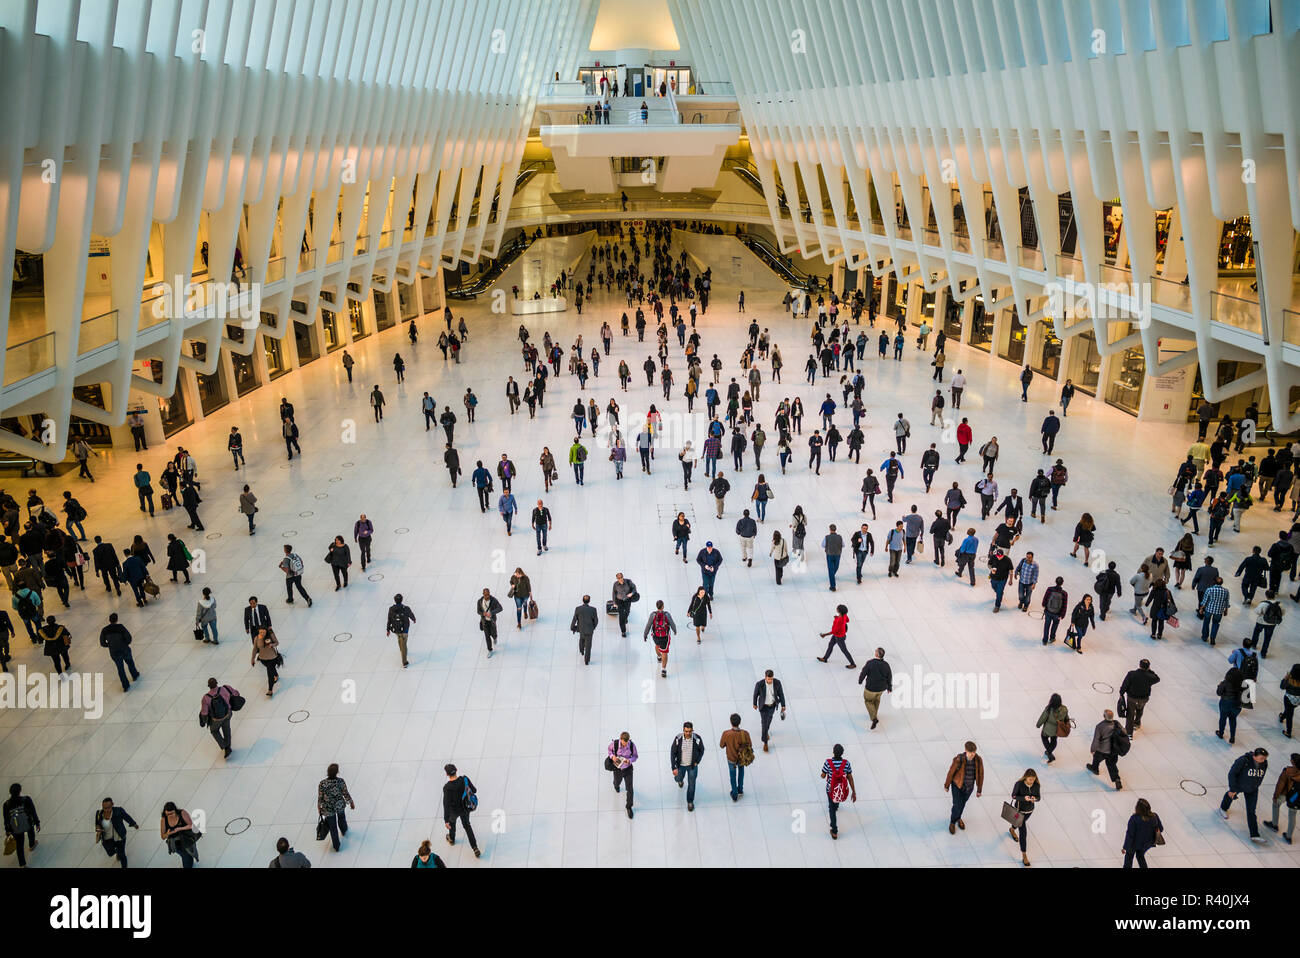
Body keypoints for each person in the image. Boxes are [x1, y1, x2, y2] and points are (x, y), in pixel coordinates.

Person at [1219, 747, 1270, 844]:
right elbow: (1232, 773)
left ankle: (1254, 835)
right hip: (1239, 784)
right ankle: (1223, 808)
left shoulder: (1264, 763)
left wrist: (1257, 785)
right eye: (1261, 758)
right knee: (1230, 795)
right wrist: (1233, 788)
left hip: (1253, 789)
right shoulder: (1243, 760)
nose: (1263, 761)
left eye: (1264, 759)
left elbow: (1261, 775)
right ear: (1254, 756)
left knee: (1251, 811)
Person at [943, 741, 983, 834]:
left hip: (969, 788)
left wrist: (979, 789)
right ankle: (953, 822)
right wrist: (947, 785)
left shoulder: (978, 760)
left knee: (962, 804)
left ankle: (958, 817)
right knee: (957, 805)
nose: (972, 754)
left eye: (974, 752)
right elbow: (951, 772)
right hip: (958, 786)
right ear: (966, 751)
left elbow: (981, 774)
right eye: (970, 752)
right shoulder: (959, 759)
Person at [442, 764, 481, 857]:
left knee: (452, 825)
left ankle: (451, 839)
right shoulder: (464, 779)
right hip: (465, 808)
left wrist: (446, 820)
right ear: (456, 770)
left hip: (453, 811)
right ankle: (475, 848)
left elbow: (446, 804)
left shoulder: (447, 788)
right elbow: (474, 790)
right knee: (467, 826)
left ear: (447, 775)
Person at [820, 744, 856, 840]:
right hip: (841, 789)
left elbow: (823, 775)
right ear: (842, 753)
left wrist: (824, 774)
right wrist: (854, 791)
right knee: (838, 795)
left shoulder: (828, 763)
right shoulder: (846, 763)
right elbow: (850, 778)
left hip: (830, 790)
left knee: (831, 808)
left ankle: (834, 830)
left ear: (833, 752)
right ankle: (837, 805)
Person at [317, 763, 356, 852]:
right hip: (339, 805)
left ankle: (336, 846)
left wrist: (319, 806)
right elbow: (345, 793)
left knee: (332, 827)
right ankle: (344, 830)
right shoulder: (340, 781)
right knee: (342, 818)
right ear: (337, 772)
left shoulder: (322, 783)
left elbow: (320, 797)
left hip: (328, 808)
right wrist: (351, 802)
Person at [1263, 752, 1300, 844]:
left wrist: (1275, 796)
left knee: (1276, 805)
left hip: (1285, 793)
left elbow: (1280, 785)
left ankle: (1274, 824)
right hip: (1295, 797)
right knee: (1292, 816)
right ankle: (1288, 836)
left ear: (1292, 762)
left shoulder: (1287, 771)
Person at [1086, 709, 1127, 791]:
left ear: (1104, 716)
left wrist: (1093, 749)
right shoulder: (1117, 724)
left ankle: (1095, 768)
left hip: (1102, 749)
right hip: (1113, 750)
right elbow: (1124, 732)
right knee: (1112, 765)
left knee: (1096, 758)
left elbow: (1096, 739)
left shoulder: (1100, 726)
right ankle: (1117, 780)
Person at [99, 613, 141, 691]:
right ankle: (134, 675)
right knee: (130, 662)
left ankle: (125, 686)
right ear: (117, 619)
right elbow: (129, 638)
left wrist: (109, 645)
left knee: (120, 668)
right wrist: (125, 643)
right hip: (124, 649)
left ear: (109, 620)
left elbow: (102, 643)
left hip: (114, 652)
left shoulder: (105, 630)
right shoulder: (121, 627)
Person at [93, 797, 139, 868]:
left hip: (119, 837)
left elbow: (127, 817)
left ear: (112, 805)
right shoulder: (99, 813)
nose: (106, 810)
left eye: (108, 808)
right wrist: (98, 828)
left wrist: (134, 824)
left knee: (122, 855)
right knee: (110, 853)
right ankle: (117, 852)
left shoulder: (119, 811)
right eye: (104, 808)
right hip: (107, 839)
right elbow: (97, 823)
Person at [670, 722, 706, 812]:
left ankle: (690, 801)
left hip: (692, 766)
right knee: (678, 778)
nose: (688, 733)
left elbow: (702, 750)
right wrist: (674, 767)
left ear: (692, 730)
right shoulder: (678, 738)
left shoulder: (697, 738)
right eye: (686, 731)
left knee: (692, 784)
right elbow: (672, 752)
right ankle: (680, 781)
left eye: (690, 731)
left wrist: (697, 761)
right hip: (680, 765)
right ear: (683, 730)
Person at [200, 676, 239, 758]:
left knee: (214, 731)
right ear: (216, 683)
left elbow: (205, 712)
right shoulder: (225, 688)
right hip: (227, 714)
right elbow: (236, 693)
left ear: (209, 686)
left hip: (215, 719)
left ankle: (224, 746)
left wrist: (204, 721)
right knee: (226, 730)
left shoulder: (206, 698)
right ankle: (228, 748)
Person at [1007, 769, 1040, 866]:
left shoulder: (1036, 785)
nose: (1031, 782)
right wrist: (1023, 798)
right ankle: (1024, 854)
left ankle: (1012, 829)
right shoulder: (1019, 784)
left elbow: (1039, 797)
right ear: (1026, 777)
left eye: (1033, 780)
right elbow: (1013, 796)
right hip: (1020, 811)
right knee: (1023, 832)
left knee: (1017, 823)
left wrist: (1035, 799)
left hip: (1029, 811)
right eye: (1030, 780)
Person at [1119, 659, 1160, 736]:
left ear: (1139, 665)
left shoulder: (1131, 674)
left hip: (1132, 698)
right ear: (1148, 667)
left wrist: (1121, 693)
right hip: (1144, 698)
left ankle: (1129, 733)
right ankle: (1137, 723)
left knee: (1130, 714)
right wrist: (1150, 671)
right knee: (1140, 710)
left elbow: (1125, 684)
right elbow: (1157, 678)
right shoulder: (1150, 677)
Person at [719, 714, 754, 802]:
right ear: (740, 722)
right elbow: (750, 744)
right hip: (742, 758)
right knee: (741, 772)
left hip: (731, 758)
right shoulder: (745, 733)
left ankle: (734, 794)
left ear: (731, 722)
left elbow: (721, 745)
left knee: (732, 775)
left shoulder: (726, 734)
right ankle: (740, 789)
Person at [4, 783, 40, 867]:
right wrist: (37, 823)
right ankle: (32, 845)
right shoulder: (26, 799)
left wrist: (8, 830)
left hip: (15, 827)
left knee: (19, 846)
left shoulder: (6, 804)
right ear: (20, 791)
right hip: (27, 822)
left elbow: (6, 819)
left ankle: (22, 864)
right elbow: (33, 812)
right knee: (30, 832)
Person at [1122, 798, 1165, 868]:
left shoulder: (1134, 818)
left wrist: (1125, 847)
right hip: (1147, 843)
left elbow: (1130, 834)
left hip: (1134, 844)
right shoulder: (1154, 816)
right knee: (1140, 856)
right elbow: (1161, 829)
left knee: (1129, 858)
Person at [858, 648, 892, 730]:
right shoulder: (886, 664)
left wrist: (860, 680)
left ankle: (874, 719)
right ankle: (874, 715)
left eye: (876, 651)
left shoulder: (870, 663)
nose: (875, 652)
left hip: (870, 688)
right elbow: (889, 676)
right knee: (876, 700)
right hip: (881, 688)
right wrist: (889, 687)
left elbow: (864, 672)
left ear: (877, 654)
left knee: (868, 701)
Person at [607, 732, 637, 819]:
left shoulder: (632, 745)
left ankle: (629, 807)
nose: (625, 745)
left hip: (628, 769)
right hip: (617, 769)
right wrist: (612, 756)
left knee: (630, 789)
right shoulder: (615, 744)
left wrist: (630, 760)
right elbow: (609, 750)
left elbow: (635, 756)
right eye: (624, 743)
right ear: (620, 739)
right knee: (617, 782)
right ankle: (616, 785)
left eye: (626, 743)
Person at [159, 802, 198, 868]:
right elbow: (163, 836)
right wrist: (168, 834)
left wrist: (180, 828)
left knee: (188, 856)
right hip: (176, 844)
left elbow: (191, 825)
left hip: (187, 839)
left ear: (175, 810)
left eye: (172, 813)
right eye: (168, 814)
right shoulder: (163, 820)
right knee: (186, 856)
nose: (170, 816)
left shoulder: (182, 813)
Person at [817, 604, 856, 668]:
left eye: (837, 608)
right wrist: (837, 618)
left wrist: (824, 635)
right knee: (830, 645)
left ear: (839, 611)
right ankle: (825, 658)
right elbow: (847, 620)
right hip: (837, 635)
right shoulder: (844, 615)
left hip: (839, 637)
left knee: (844, 651)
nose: (836, 609)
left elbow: (834, 631)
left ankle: (853, 664)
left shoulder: (840, 621)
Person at [644, 599, 676, 676]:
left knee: (657, 646)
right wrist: (675, 630)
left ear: (657, 606)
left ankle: (659, 657)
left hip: (656, 636)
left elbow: (648, 625)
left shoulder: (653, 615)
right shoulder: (667, 614)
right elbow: (672, 623)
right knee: (664, 652)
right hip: (665, 636)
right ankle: (663, 670)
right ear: (663, 606)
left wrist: (645, 635)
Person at [386, 593, 418, 668]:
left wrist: (388, 629)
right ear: (402, 600)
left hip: (396, 629)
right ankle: (404, 662)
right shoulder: (406, 608)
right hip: (405, 629)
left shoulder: (391, 609)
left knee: (400, 640)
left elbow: (389, 619)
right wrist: (414, 619)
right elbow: (411, 615)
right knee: (404, 643)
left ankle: (402, 649)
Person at [1198, 577, 1231, 645]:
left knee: (1206, 623)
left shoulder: (1209, 590)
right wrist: (1226, 610)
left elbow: (1205, 601)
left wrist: (1201, 609)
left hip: (1209, 610)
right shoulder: (1226, 591)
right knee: (1216, 624)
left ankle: (1204, 637)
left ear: (1214, 582)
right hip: (1219, 611)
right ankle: (1213, 638)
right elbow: (1226, 602)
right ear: (1222, 583)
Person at [570, 595, 599, 665]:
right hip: (589, 630)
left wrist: (572, 627)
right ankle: (586, 660)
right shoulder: (593, 609)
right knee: (588, 646)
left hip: (581, 629)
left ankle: (581, 650)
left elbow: (574, 619)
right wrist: (593, 627)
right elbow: (596, 621)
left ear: (582, 600)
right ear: (589, 601)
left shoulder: (578, 609)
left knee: (581, 639)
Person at [476, 588, 503, 658]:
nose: (487, 596)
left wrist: (491, 613)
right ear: (483, 594)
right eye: (485, 595)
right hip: (484, 621)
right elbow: (478, 611)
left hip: (492, 621)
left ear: (489, 594)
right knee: (487, 636)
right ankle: (490, 650)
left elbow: (500, 608)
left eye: (488, 595)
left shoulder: (493, 600)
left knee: (493, 633)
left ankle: (495, 637)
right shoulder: (479, 601)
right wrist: (483, 613)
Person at [610, 573, 637, 637]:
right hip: (619, 601)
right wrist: (614, 603)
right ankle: (623, 631)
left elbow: (634, 588)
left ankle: (625, 619)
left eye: (621, 578)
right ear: (617, 579)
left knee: (627, 612)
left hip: (627, 600)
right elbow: (614, 593)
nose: (620, 579)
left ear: (623, 577)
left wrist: (632, 593)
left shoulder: (628, 581)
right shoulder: (615, 584)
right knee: (621, 616)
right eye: (619, 578)